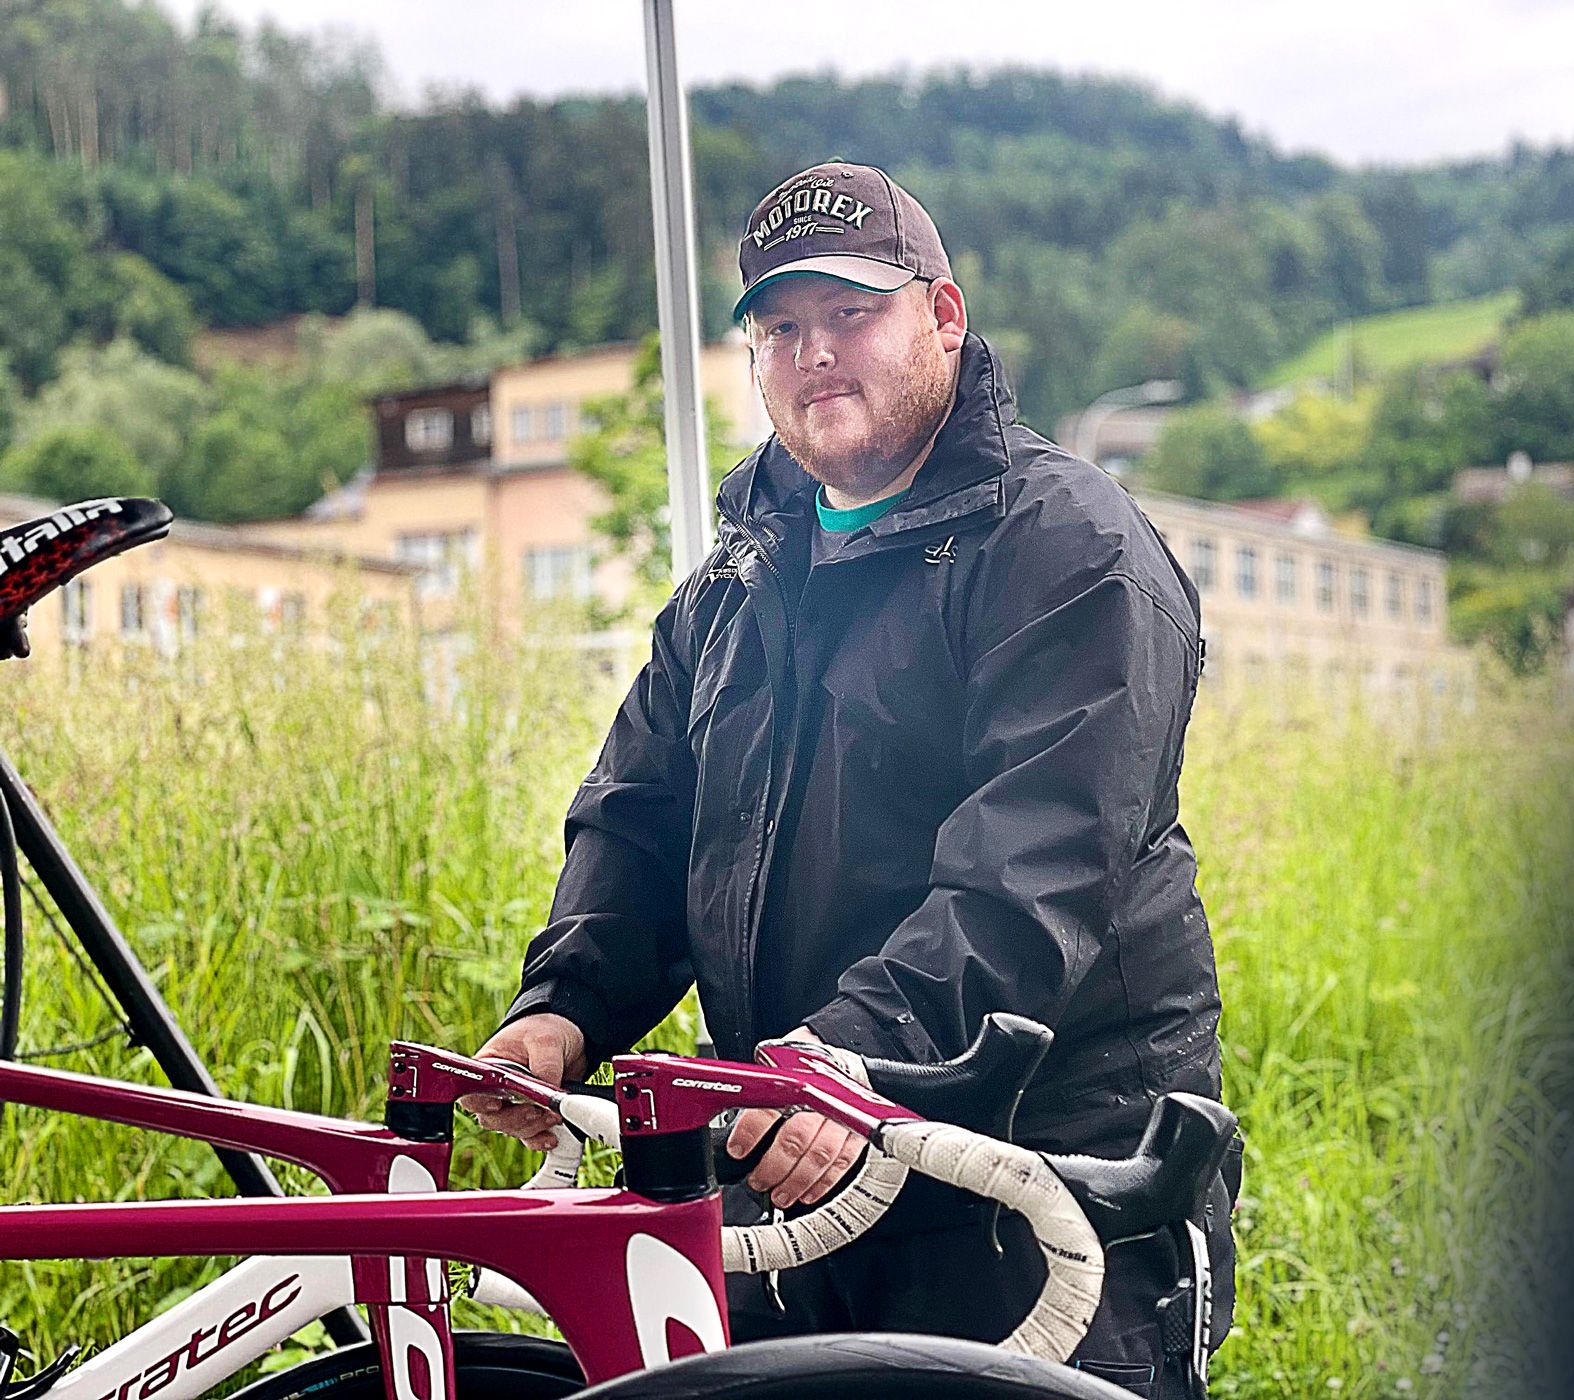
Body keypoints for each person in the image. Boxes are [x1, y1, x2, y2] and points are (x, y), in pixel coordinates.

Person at [465, 161, 1234, 1396]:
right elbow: (641, 821)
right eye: (779, 327)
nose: (813, 350)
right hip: (794, 1151)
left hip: (1034, 1171)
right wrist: (564, 1006)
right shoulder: (732, 580)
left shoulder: (1073, 551)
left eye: (850, 312)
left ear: (944, 315)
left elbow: (1034, 869)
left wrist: (852, 1054)